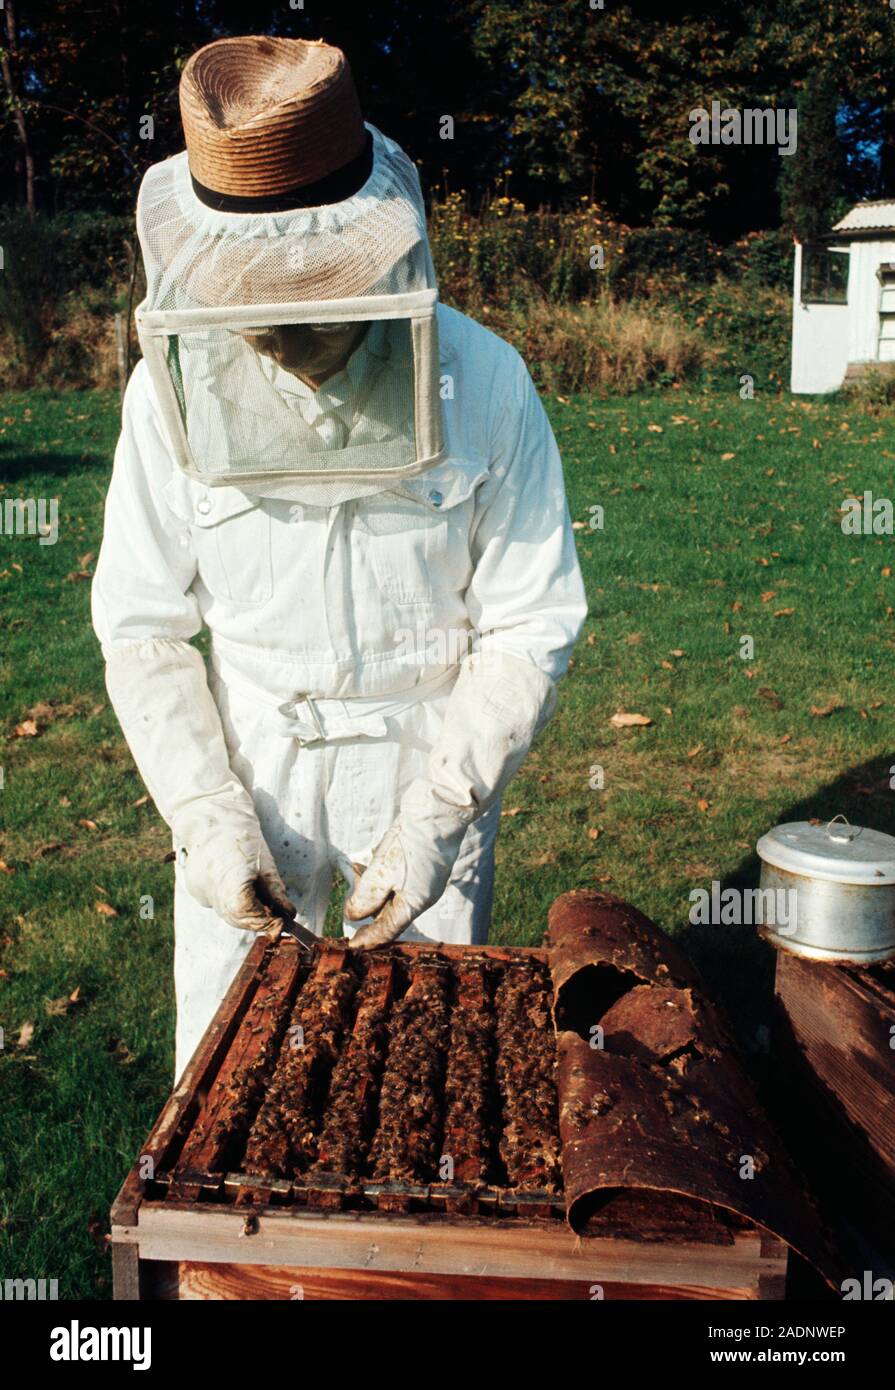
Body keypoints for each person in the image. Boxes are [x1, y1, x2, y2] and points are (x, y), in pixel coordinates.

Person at [91, 35, 587, 1078]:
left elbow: (530, 619)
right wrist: (207, 813)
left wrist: (437, 816)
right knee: (230, 1079)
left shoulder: (484, 382)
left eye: (315, 290)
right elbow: (141, 625)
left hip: (427, 750)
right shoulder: (164, 398)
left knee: (426, 1074)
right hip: (250, 755)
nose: (281, 327)